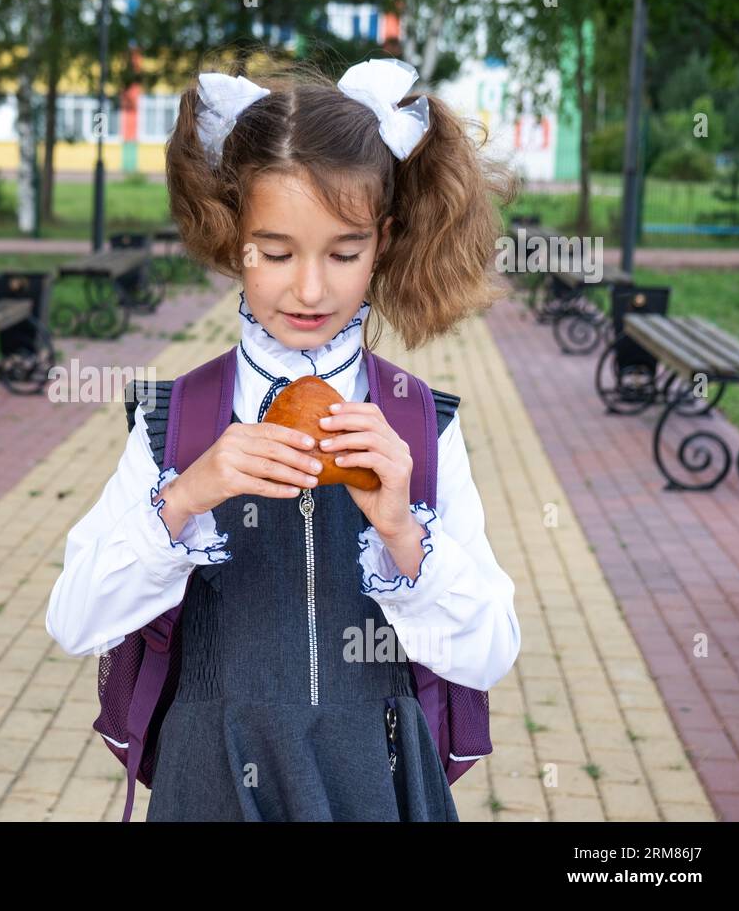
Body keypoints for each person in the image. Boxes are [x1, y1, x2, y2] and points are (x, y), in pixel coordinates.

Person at [44, 58, 522, 821]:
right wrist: (185, 498)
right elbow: (74, 621)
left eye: (343, 253)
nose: (309, 289)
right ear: (236, 239)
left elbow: (490, 650)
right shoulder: (176, 417)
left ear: (384, 240)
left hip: (376, 777)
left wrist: (403, 533)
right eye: (275, 252)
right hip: (212, 780)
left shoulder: (419, 423)